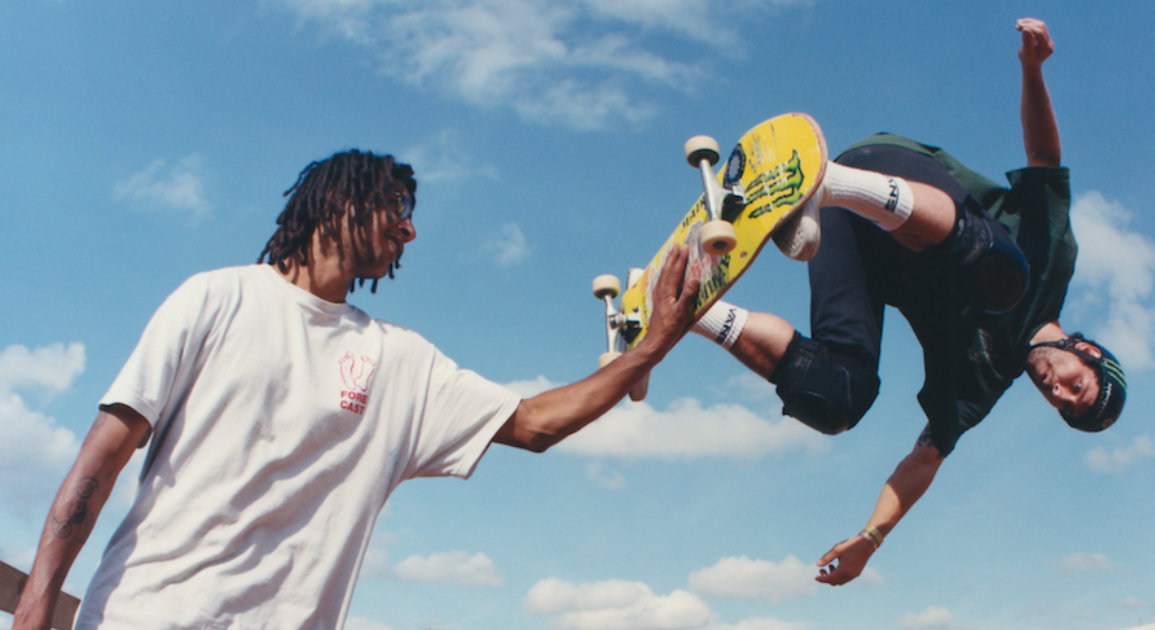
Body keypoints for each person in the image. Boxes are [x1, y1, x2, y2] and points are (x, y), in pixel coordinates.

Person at [13, 151, 700, 629]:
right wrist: (37, 608)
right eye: (396, 205)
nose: (411, 226)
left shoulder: (398, 360)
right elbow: (99, 464)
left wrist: (653, 344)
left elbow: (535, 424)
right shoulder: (213, 299)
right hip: (147, 617)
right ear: (339, 202)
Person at [690, 18, 1127, 585]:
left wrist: (870, 540)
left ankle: (692, 312)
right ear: (1086, 350)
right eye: (1076, 385)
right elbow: (1044, 156)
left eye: (1063, 406)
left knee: (836, 398)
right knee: (1004, 281)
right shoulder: (1055, 262)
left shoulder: (978, 388)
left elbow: (923, 461)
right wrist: (1032, 69)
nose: (1058, 392)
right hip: (885, 172)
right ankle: (832, 184)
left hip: (847, 238)